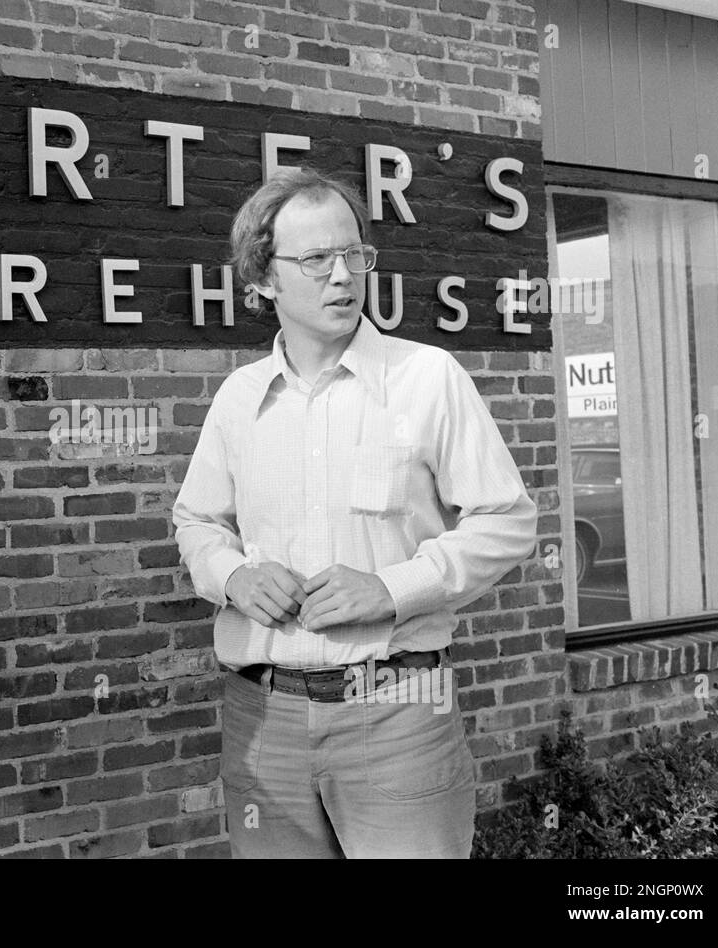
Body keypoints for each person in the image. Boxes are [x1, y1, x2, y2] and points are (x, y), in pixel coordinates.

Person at [172, 168, 537, 858]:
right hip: (264, 718)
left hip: (400, 714)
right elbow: (197, 522)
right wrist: (233, 577)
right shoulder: (238, 399)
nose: (342, 275)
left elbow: (507, 520)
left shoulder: (427, 378)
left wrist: (392, 589)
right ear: (265, 276)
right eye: (316, 259)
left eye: (354, 254)